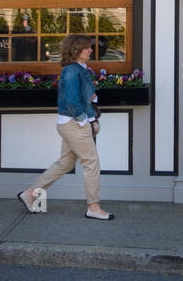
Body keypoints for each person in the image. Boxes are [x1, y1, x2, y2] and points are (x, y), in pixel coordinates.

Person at [17, 34, 114, 220]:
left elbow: (80, 95)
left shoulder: (79, 69)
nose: (91, 50)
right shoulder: (71, 71)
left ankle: (31, 193)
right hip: (74, 124)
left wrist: (91, 97)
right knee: (91, 162)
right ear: (76, 50)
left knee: (66, 163)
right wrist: (84, 121)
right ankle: (93, 207)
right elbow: (71, 100)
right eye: (87, 47)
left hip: (70, 123)